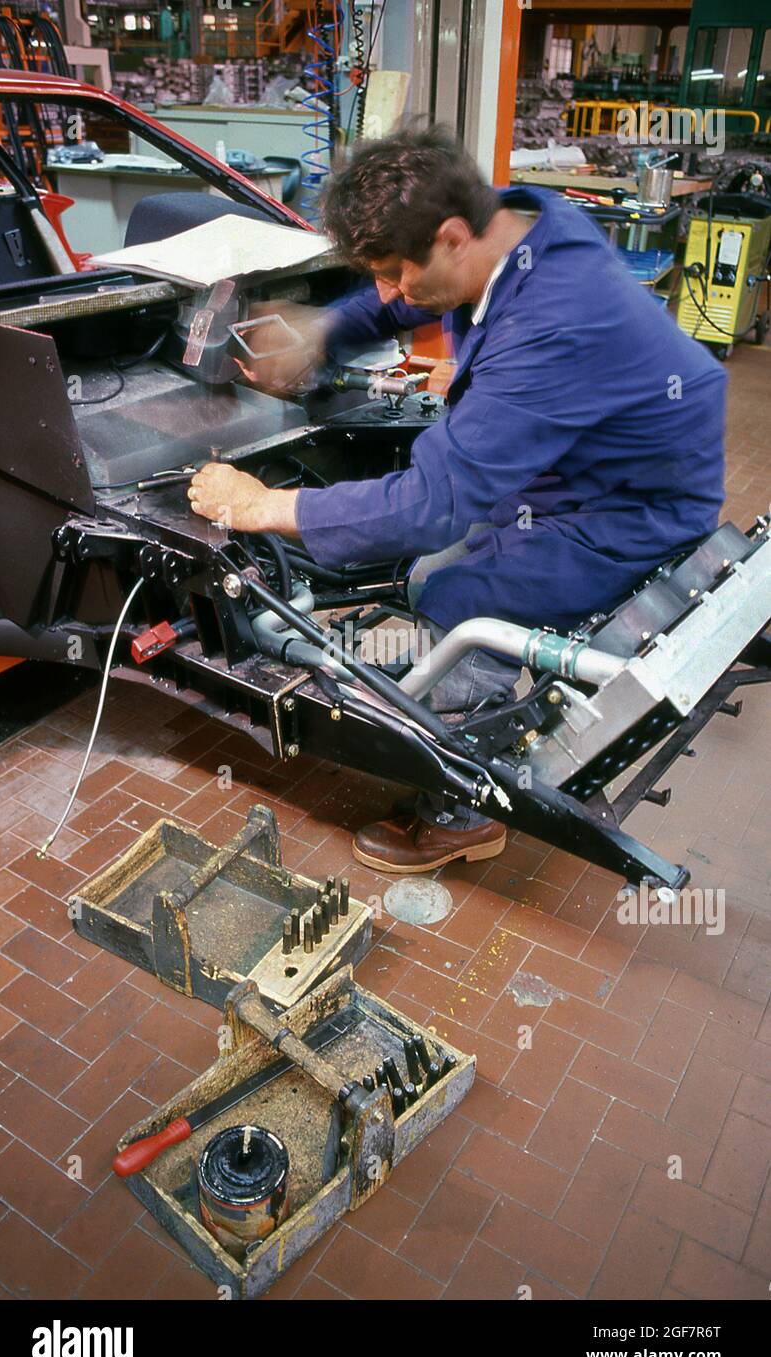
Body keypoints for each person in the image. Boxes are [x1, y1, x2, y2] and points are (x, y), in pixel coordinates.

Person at [187, 125, 726, 873]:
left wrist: (262, 507)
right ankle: (443, 676)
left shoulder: (553, 322)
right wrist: (322, 335)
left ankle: (463, 810)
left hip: (628, 511)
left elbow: (430, 503)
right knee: (420, 573)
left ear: (449, 235)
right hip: (594, 473)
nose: (391, 294)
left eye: (395, 273)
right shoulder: (520, 225)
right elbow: (404, 300)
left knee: (454, 593)